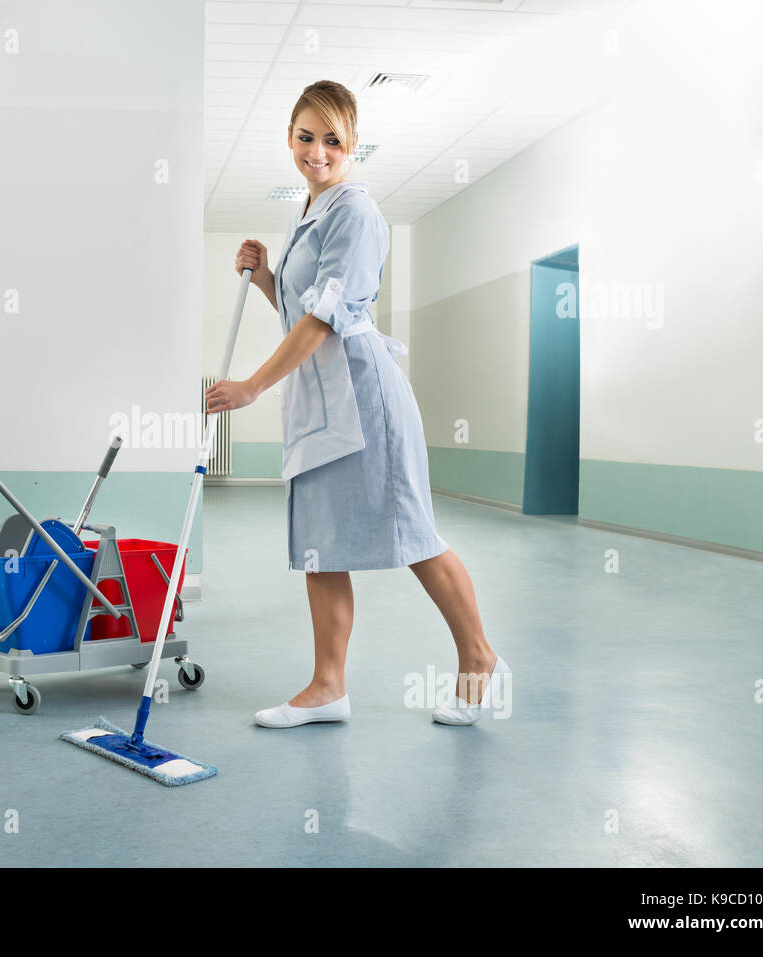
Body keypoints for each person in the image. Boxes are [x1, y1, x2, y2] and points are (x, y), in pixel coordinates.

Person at [203, 80, 510, 728]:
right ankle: (326, 686)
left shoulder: (357, 213)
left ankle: (478, 656)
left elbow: (325, 319)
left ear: (353, 144)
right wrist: (265, 276)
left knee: (411, 531)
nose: (317, 152)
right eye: (306, 137)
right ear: (290, 138)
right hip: (318, 405)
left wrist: (253, 386)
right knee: (321, 543)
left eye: (332, 141)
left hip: (365, 402)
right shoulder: (309, 210)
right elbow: (301, 311)